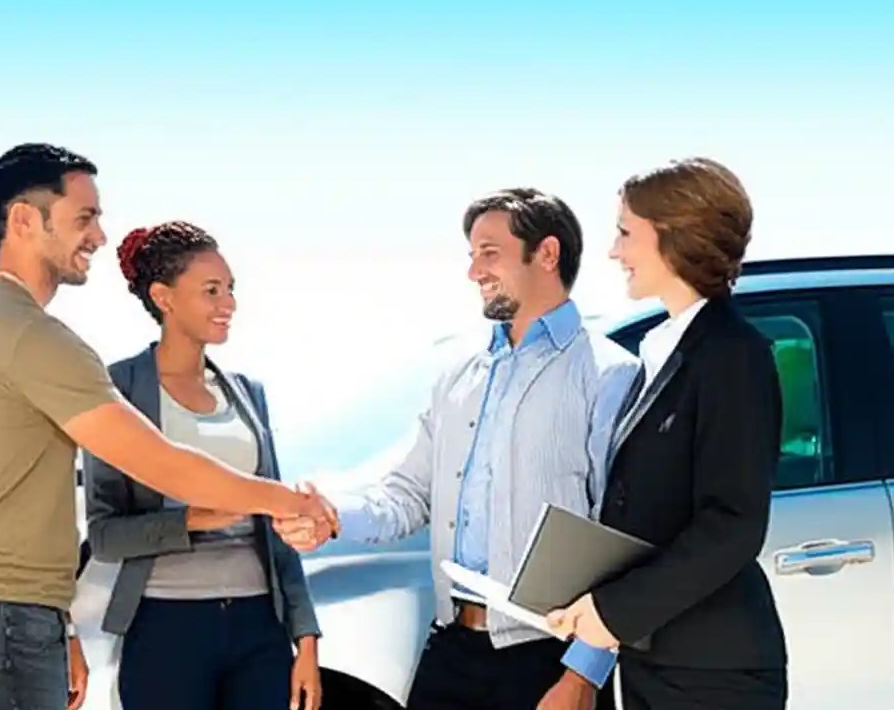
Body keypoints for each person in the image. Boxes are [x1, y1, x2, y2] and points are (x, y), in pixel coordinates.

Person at [0, 144, 327, 710]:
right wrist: (285, 501)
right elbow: (161, 464)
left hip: (4, 618)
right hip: (0, 625)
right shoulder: (30, 338)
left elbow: (7, 501)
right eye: (84, 218)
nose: (100, 236)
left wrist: (59, 625)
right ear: (23, 220)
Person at [276, 188, 638, 710]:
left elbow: (616, 536)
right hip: (451, 649)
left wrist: (584, 673)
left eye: (489, 253)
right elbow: (408, 494)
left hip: (549, 659)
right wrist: (333, 516)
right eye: (471, 256)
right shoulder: (458, 376)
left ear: (547, 254)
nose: (474, 272)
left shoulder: (610, 374)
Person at [545, 157, 789, 709]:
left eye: (626, 232)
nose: (613, 251)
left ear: (674, 236)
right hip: (657, 661)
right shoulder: (660, 350)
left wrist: (614, 613)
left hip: (714, 672)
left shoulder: (733, 355)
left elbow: (733, 524)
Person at [83, 221, 323, 710]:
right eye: (212, 290)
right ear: (163, 297)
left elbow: (276, 527)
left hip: (260, 627)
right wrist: (191, 520)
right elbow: (106, 534)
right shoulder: (118, 389)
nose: (228, 303)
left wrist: (306, 641)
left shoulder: (246, 393)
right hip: (166, 628)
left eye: (230, 289)